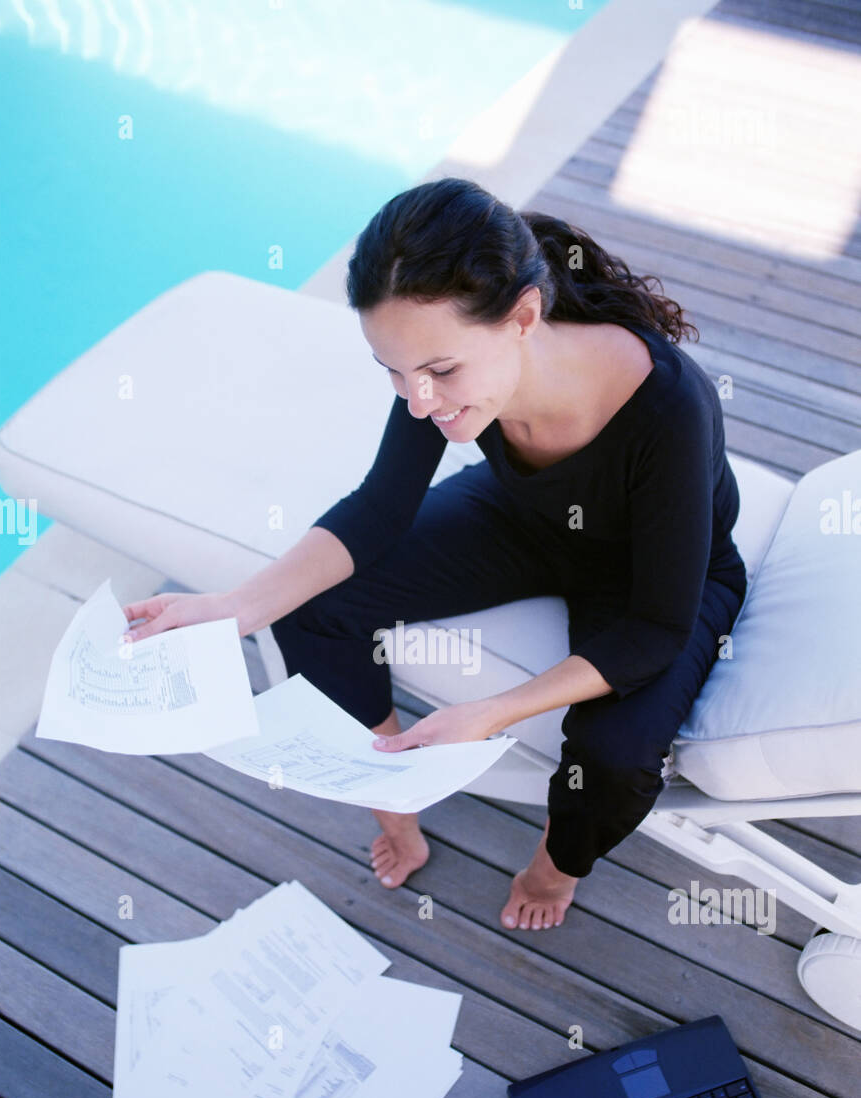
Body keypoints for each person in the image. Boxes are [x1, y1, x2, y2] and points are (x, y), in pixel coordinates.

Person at [123, 177, 747, 933]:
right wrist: (234, 606)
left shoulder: (667, 405)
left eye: (441, 372)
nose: (418, 401)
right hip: (526, 519)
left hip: (648, 575)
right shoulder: (435, 363)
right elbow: (379, 509)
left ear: (524, 316)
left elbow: (653, 629)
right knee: (311, 608)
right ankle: (395, 788)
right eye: (392, 370)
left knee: (615, 753)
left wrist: (486, 714)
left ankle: (553, 870)